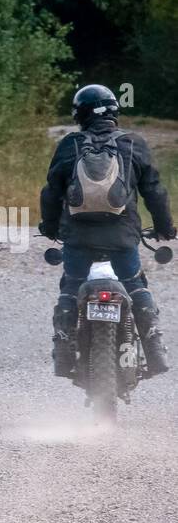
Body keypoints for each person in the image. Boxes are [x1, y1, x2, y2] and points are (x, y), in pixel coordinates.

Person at [41, 84, 176, 377]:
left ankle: (64, 351)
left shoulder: (70, 144)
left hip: (78, 238)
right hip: (123, 238)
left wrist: (50, 227)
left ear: (80, 115)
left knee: (71, 286)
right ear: (114, 112)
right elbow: (154, 191)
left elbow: (51, 192)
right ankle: (154, 348)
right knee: (136, 285)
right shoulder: (133, 143)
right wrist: (165, 228)